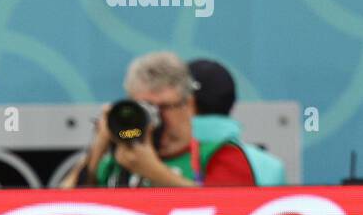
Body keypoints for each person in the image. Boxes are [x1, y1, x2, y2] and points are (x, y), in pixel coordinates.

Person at [63, 51, 256, 187]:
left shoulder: (220, 156)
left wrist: (154, 172)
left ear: (187, 104)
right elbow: (60, 210)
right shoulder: (118, 161)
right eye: (142, 107)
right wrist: (99, 147)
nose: (153, 117)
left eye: (162, 107)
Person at [188, 57, 287, 185]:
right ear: (233, 102)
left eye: (166, 106)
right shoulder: (271, 167)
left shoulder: (160, 162)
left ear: (188, 104)